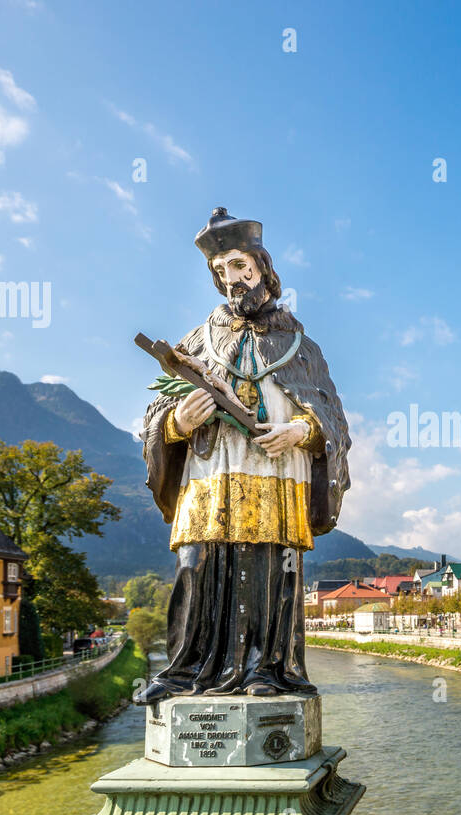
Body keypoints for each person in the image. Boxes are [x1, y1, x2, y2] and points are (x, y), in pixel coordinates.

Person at [134, 207, 349, 705]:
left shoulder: (303, 348)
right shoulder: (195, 342)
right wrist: (177, 423)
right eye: (220, 271)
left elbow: (334, 423)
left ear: (261, 266)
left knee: (264, 574)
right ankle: (185, 670)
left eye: (238, 266)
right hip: (209, 476)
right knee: (195, 566)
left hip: (274, 475)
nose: (231, 279)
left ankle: (265, 671)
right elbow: (155, 416)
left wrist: (301, 430)